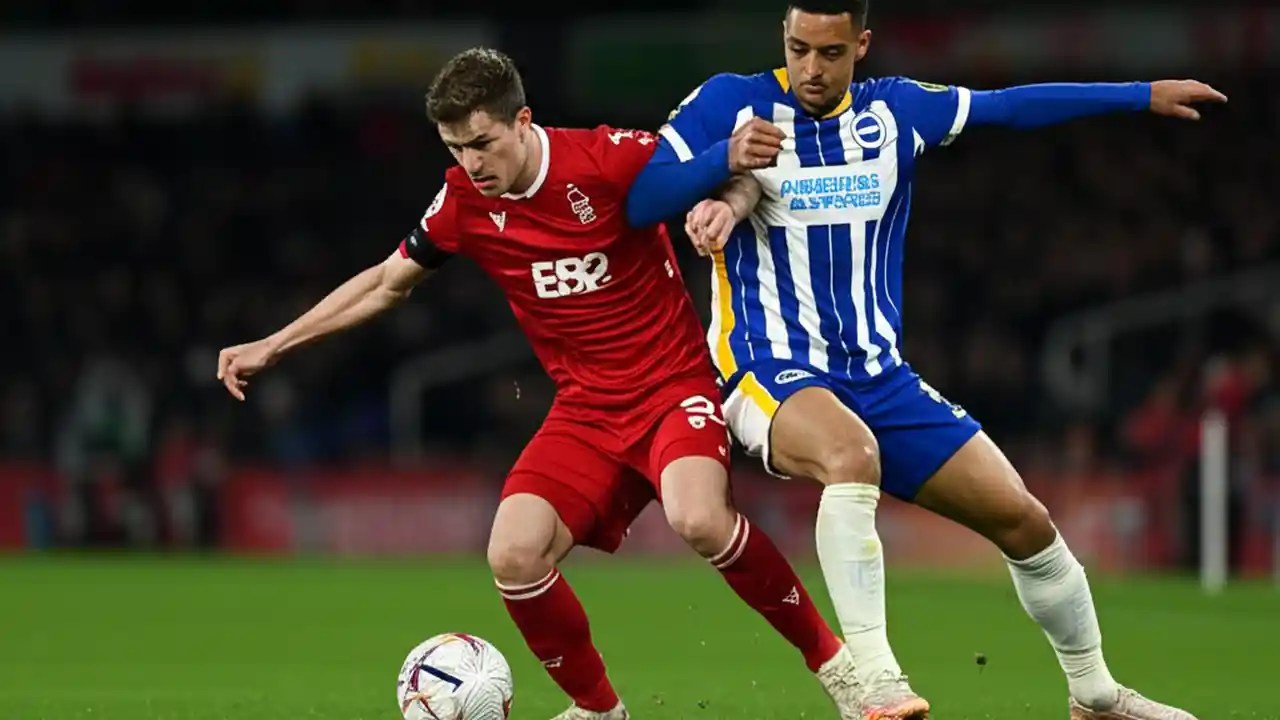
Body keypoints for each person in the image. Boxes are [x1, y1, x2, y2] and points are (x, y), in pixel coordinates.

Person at [216, 47, 863, 720]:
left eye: (482, 143)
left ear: (523, 121)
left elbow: (741, 173)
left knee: (698, 517)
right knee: (514, 554)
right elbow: (386, 283)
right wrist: (275, 343)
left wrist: (726, 205)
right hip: (585, 409)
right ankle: (599, 710)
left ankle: (838, 668)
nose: (471, 163)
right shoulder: (463, 201)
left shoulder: (608, 158)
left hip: (674, 387)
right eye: (455, 148)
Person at [624, 1, 1228, 718]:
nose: (811, 69)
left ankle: (1095, 695)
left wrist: (1139, 95)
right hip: (767, 368)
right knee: (850, 455)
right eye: (798, 48)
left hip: (881, 378)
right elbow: (640, 200)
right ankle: (877, 684)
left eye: (830, 52)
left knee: (1024, 521)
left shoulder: (897, 111)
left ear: (862, 45)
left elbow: (1010, 108)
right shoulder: (729, 102)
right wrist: (719, 166)